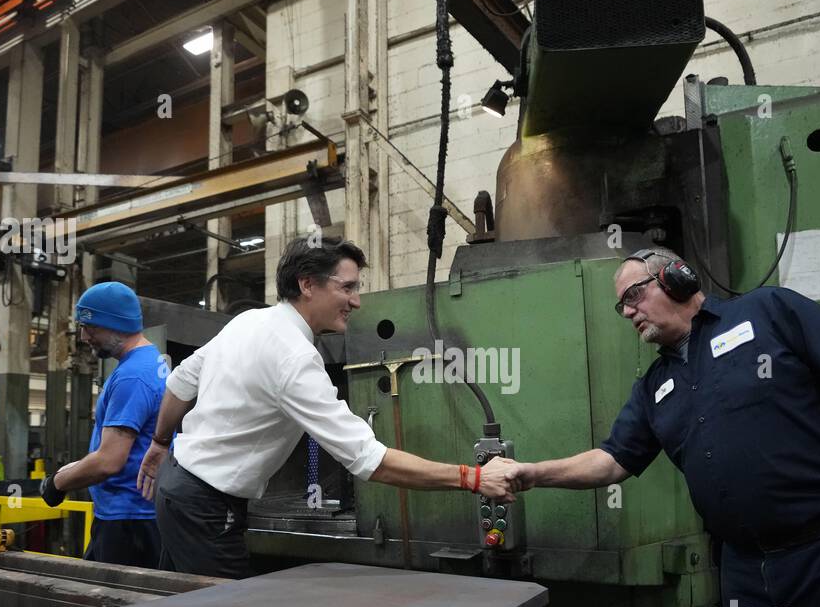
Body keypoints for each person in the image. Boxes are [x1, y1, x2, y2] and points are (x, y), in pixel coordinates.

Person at [501, 248, 820, 607]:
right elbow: (611, 460)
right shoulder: (655, 385)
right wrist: (532, 474)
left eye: (634, 295)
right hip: (747, 573)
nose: (628, 311)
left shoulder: (768, 311)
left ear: (677, 278)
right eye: (622, 306)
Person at [137, 235, 513, 578]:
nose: (357, 301)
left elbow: (181, 381)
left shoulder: (249, 321)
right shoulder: (295, 357)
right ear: (307, 284)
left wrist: (158, 443)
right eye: (347, 287)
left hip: (177, 486)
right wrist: (473, 478)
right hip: (206, 507)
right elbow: (369, 460)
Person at [41, 281, 165, 568]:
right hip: (129, 515)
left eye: (91, 327)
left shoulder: (132, 376)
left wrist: (58, 483)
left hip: (128, 521)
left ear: (115, 324)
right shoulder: (150, 361)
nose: (84, 336)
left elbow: (109, 461)